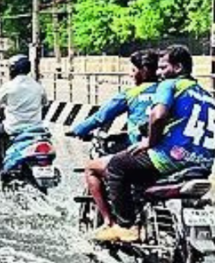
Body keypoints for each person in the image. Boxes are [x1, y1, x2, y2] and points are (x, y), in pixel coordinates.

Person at [98, 45, 215, 243]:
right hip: (203, 163)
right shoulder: (207, 95)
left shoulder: (170, 85)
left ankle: (125, 226)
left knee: (117, 166)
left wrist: (149, 141)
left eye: (164, 67)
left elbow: (157, 116)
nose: (159, 73)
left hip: (171, 158)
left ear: (178, 67)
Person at [69, 50, 161, 230]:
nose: (130, 74)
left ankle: (112, 223)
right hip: (169, 154)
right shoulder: (169, 91)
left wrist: (77, 130)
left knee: (93, 168)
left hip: (142, 154)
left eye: (133, 70)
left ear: (142, 71)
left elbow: (100, 117)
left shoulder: (131, 94)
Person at [0, 55, 48, 176]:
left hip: (14, 127)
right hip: (36, 128)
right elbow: (45, 104)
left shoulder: (9, 86)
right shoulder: (38, 87)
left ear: (13, 69)